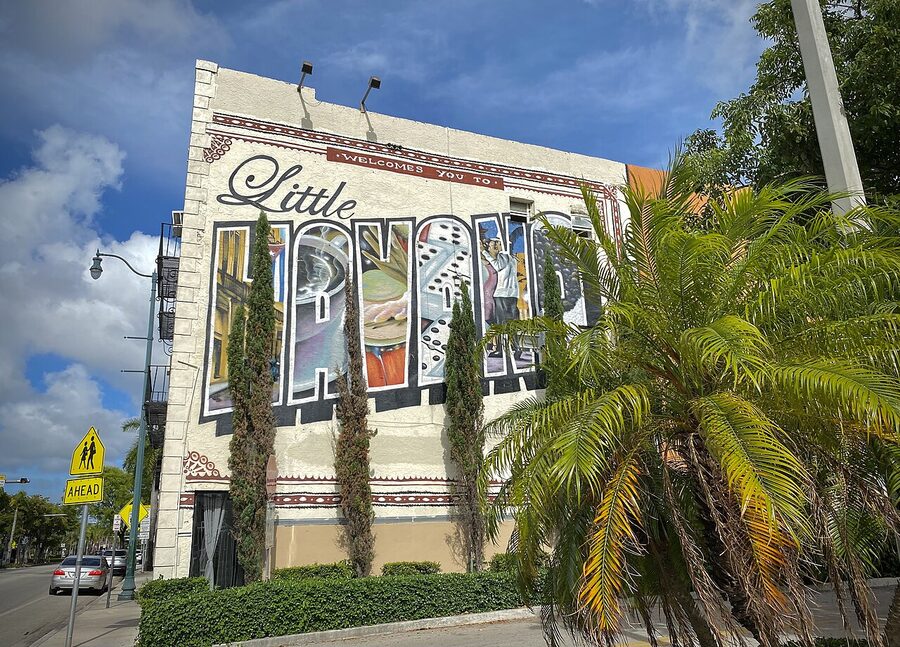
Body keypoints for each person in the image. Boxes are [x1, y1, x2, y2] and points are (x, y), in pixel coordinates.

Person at [481, 237, 522, 359]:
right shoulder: (512, 258)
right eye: (494, 243)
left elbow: (498, 266)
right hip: (512, 295)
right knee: (511, 324)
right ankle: (515, 348)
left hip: (502, 294)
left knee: (500, 324)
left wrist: (483, 252)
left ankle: (502, 349)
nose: (495, 245)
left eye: (497, 243)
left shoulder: (504, 256)